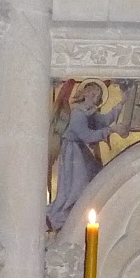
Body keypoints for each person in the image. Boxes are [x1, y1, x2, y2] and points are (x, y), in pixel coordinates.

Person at [47, 81, 122, 233]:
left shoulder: (89, 113)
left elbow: (103, 121)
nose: (95, 99)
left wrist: (121, 105)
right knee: (77, 185)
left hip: (81, 152)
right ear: (84, 94)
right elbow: (87, 136)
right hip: (72, 153)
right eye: (93, 95)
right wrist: (111, 130)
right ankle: (62, 215)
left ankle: (78, 212)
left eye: (98, 97)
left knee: (93, 177)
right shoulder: (77, 114)